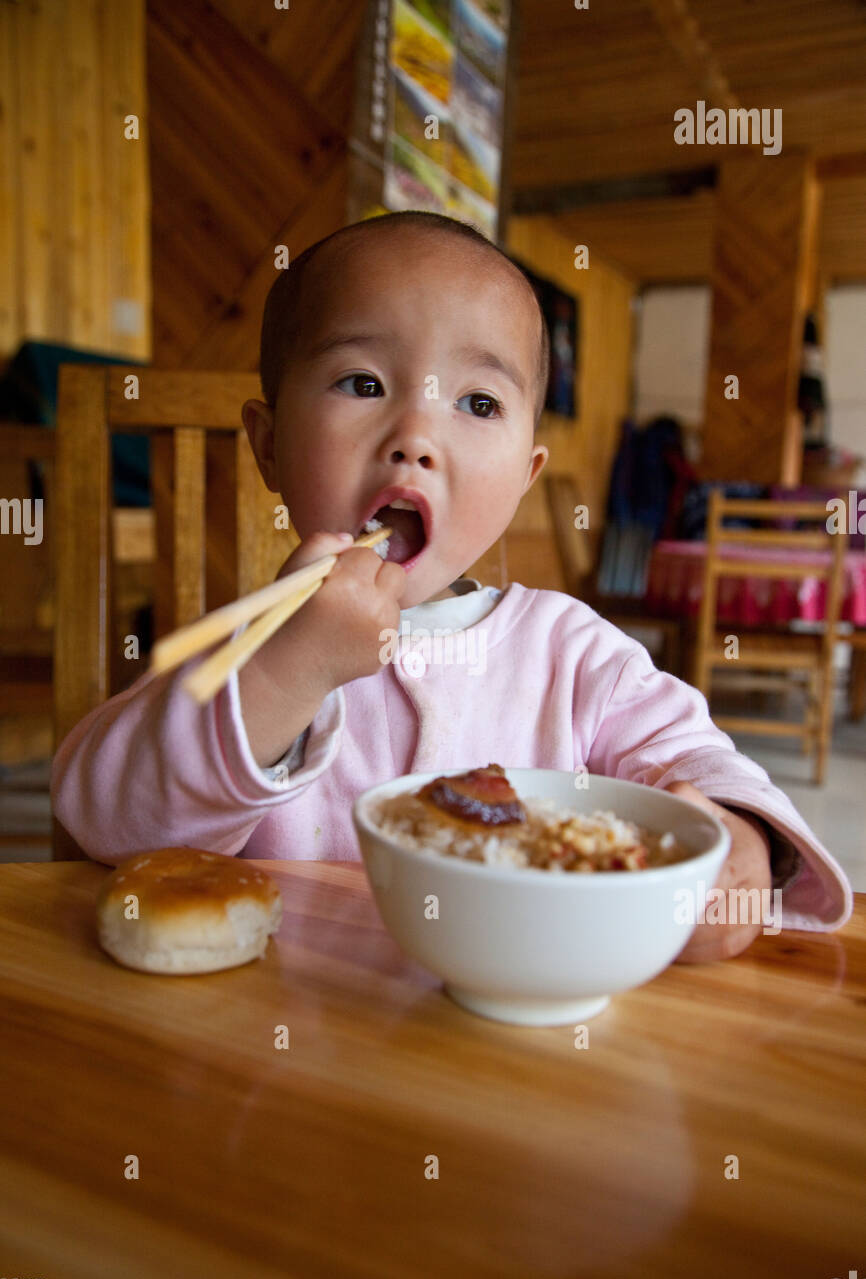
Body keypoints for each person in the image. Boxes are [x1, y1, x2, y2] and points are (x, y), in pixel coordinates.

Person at [52, 211, 852, 963]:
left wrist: (738, 846)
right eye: (363, 383)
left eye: (477, 401)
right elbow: (105, 820)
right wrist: (287, 673)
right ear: (269, 445)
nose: (416, 438)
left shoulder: (574, 657)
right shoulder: (246, 650)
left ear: (524, 476)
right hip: (291, 1035)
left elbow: (698, 762)